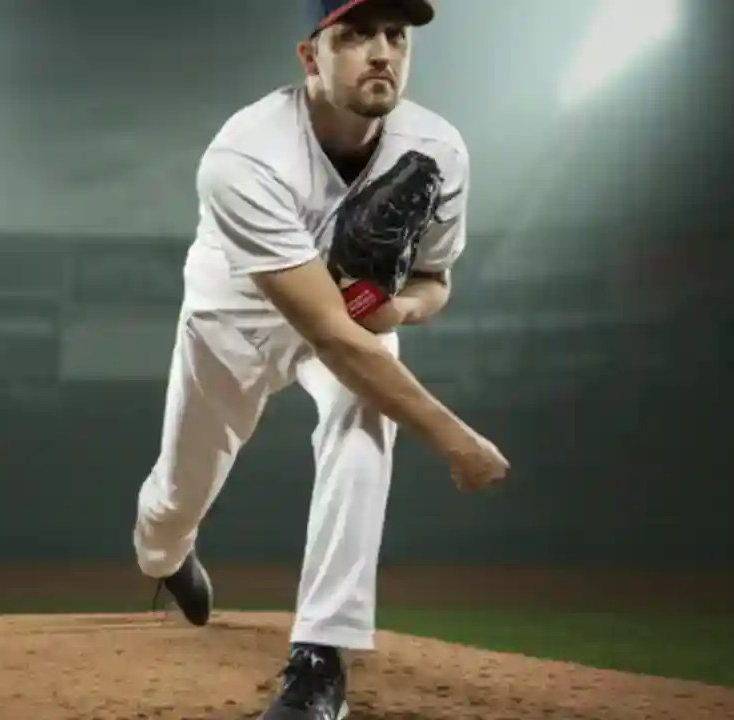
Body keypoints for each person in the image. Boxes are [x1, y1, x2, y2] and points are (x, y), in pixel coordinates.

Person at [132, 0, 509, 717]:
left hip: (349, 317)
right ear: (311, 56)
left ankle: (320, 657)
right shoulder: (245, 155)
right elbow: (331, 333)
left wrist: (399, 309)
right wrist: (455, 439)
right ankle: (165, 554)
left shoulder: (439, 149)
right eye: (356, 34)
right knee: (181, 488)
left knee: (367, 415)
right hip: (234, 313)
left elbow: (435, 283)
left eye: (396, 35)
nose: (382, 51)